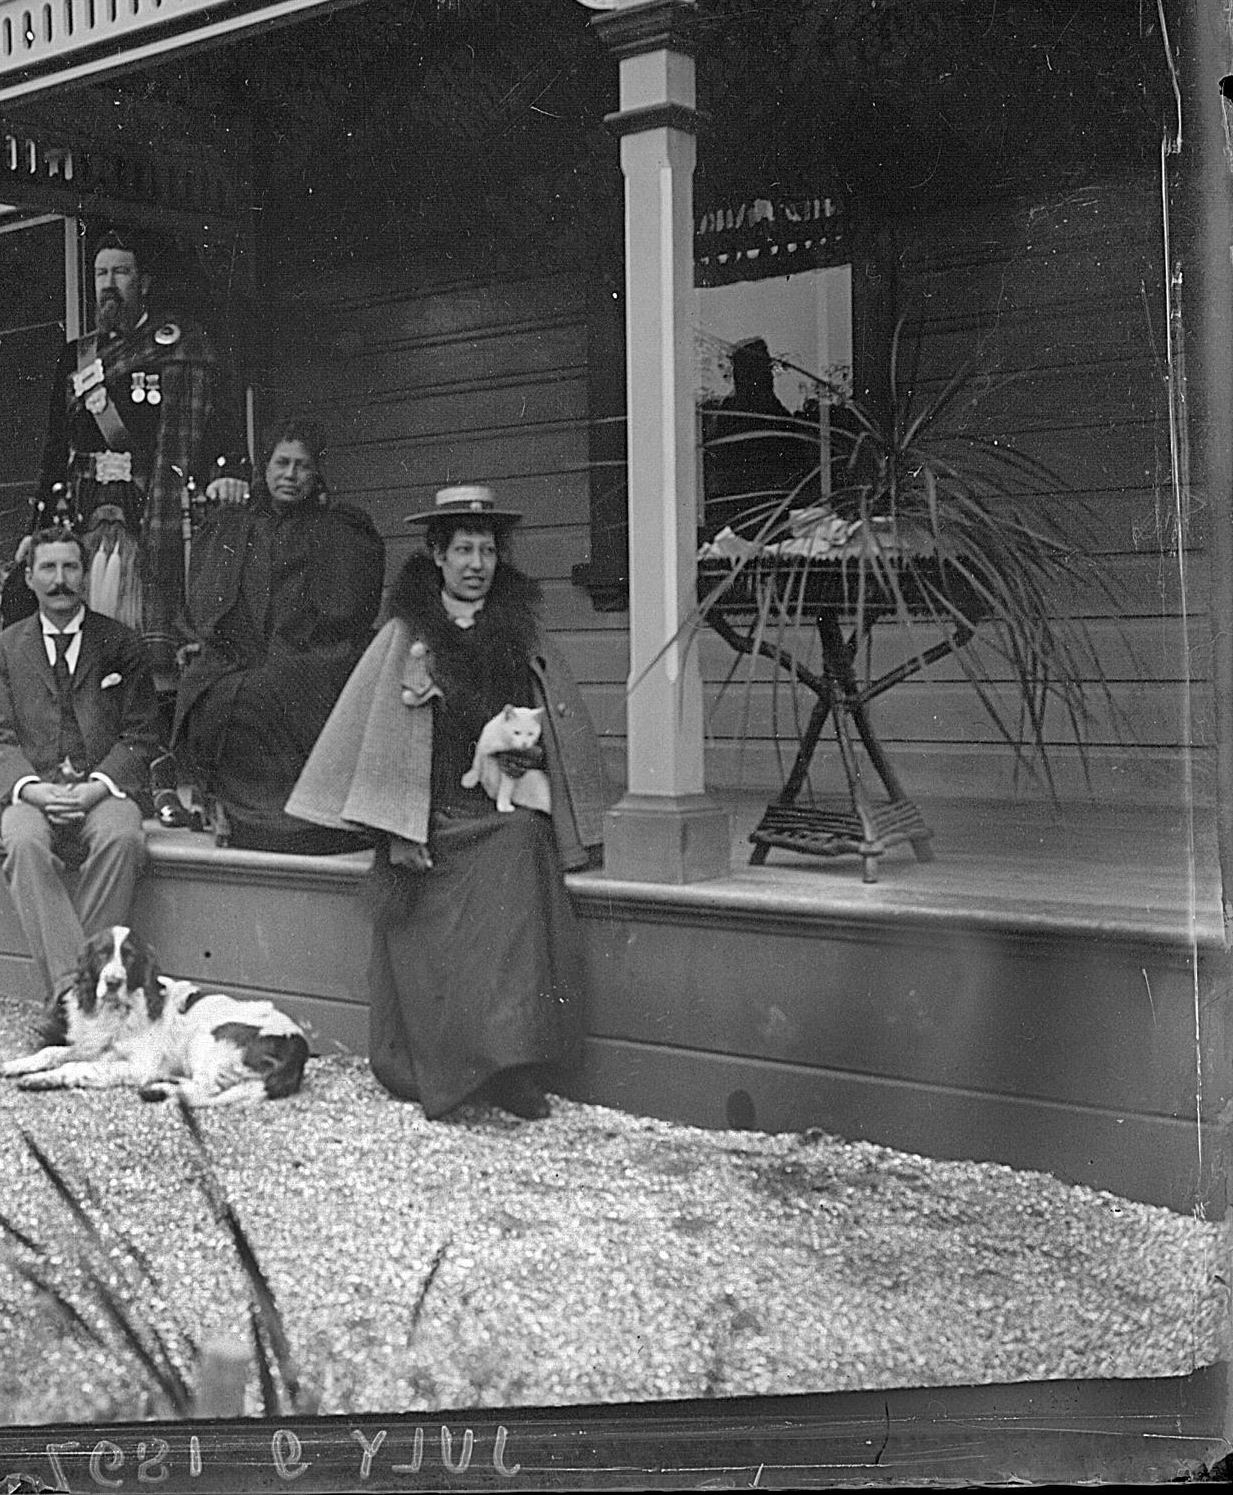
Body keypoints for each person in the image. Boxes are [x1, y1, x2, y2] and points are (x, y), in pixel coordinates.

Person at [286, 484, 619, 1121]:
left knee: (522, 858)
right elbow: (381, 740)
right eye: (463, 549)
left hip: (501, 813)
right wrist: (398, 827)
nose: (476, 563)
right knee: (442, 926)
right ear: (437, 556)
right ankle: (455, 1065)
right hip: (430, 815)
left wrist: (534, 758)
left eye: (487, 551)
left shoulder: (520, 635)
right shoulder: (406, 637)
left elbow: (551, 726)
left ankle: (511, 1067)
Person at [1, 231, 241, 692]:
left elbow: (216, 423)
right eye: (101, 274)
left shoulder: (179, 346)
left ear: (143, 282)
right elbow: (55, 449)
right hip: (86, 515)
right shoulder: (75, 356)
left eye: (121, 273)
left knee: (148, 654)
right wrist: (35, 527)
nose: (109, 284)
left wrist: (228, 470)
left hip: (153, 516)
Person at [173, 417, 385, 853]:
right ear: (264, 469)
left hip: (308, 656)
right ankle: (233, 812)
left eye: (302, 466)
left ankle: (302, 821)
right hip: (240, 656)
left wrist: (292, 651)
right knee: (225, 693)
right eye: (281, 463)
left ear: (316, 471)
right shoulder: (233, 525)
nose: (290, 476)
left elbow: (346, 611)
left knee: (279, 691)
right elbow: (209, 604)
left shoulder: (339, 528)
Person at [0, 525, 163, 998]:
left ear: (84, 575)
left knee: (122, 836)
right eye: (48, 569)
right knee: (23, 843)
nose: (60, 580)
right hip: (33, 792)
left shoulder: (122, 644)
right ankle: (73, 991)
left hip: (104, 791)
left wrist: (97, 785)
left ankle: (69, 992)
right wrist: (32, 789)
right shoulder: (5, 649)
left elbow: (142, 734)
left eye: (70, 567)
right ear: (31, 579)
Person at [700, 336, 812, 539]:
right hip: (745, 514)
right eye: (763, 368)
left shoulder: (771, 410)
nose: (768, 375)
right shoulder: (737, 412)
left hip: (770, 512)